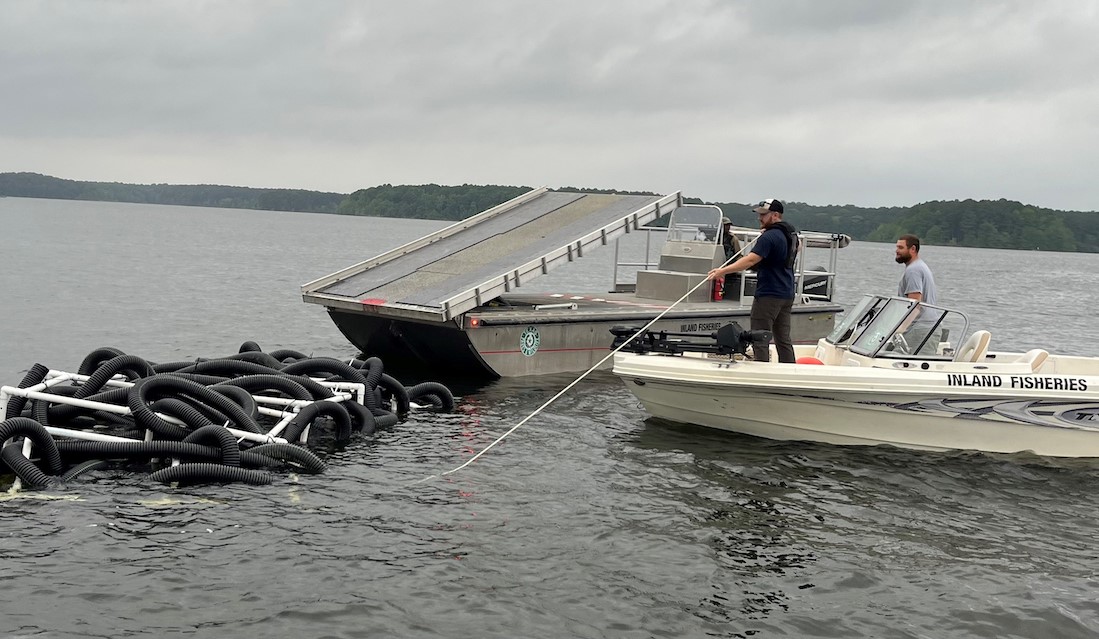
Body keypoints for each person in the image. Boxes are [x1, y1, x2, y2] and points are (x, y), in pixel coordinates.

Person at [707, 198, 798, 362]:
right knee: (783, 338)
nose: (759, 218)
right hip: (787, 293)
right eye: (759, 214)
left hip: (769, 294)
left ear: (775, 215)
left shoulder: (769, 237)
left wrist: (722, 271)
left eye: (764, 214)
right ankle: (789, 369)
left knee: (759, 336)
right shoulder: (790, 235)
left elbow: (750, 260)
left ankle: (761, 371)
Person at [894, 234, 939, 353]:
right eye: (897, 247)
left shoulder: (913, 270)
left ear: (913, 249)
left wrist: (900, 329)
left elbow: (914, 304)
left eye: (900, 248)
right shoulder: (920, 266)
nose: (896, 251)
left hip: (920, 330)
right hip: (925, 327)